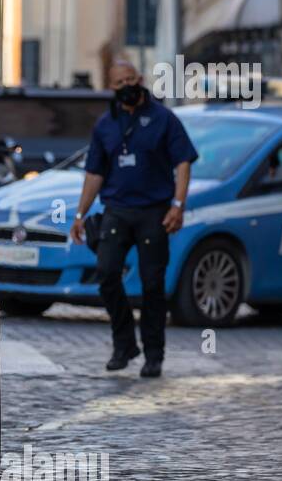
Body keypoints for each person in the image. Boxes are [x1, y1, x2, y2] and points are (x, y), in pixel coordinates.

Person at [70, 60, 199, 378]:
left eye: (131, 79)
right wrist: (80, 214)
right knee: (106, 273)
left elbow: (183, 162)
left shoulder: (163, 118)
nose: (127, 86)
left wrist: (178, 205)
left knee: (152, 283)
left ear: (140, 79)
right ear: (111, 87)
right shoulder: (105, 125)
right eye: (119, 82)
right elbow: (94, 173)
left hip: (154, 211)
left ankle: (154, 354)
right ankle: (124, 344)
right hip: (117, 210)